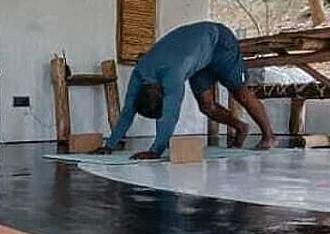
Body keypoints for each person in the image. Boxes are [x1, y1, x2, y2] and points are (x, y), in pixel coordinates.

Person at [98, 21, 276, 158]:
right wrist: (109, 145)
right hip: (198, 56)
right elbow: (128, 109)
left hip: (219, 43)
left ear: (161, 91)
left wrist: (155, 151)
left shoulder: (172, 76)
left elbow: (170, 114)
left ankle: (269, 137)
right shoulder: (139, 73)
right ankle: (240, 127)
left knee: (241, 94)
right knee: (207, 106)